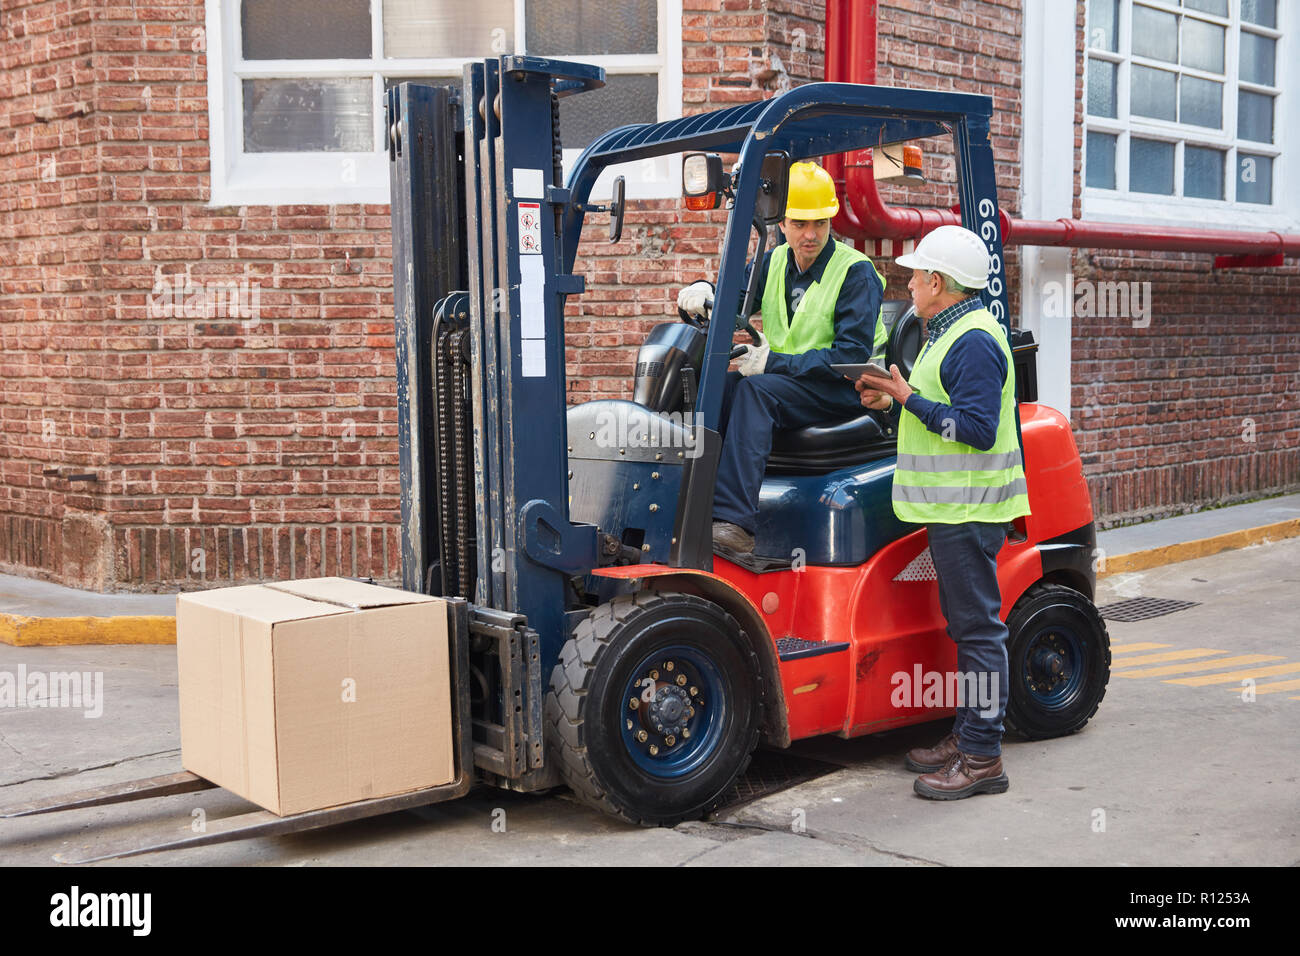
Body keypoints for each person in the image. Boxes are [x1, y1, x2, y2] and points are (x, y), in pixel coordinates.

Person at [853, 224, 1030, 800]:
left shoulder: (973, 340)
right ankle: (969, 735)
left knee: (978, 631)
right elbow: (942, 410)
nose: (907, 282)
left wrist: (908, 399)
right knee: (967, 627)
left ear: (938, 282)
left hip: (970, 509)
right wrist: (895, 399)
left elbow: (975, 430)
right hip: (954, 507)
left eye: (914, 274)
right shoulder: (949, 331)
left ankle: (982, 758)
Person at [676, 161, 889, 554]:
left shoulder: (855, 273)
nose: (810, 235)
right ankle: (688, 505)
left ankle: (734, 522)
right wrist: (705, 289)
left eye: (820, 224)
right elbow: (732, 298)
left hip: (849, 390)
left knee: (756, 392)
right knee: (719, 386)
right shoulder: (774, 262)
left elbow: (849, 357)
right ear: (782, 223)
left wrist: (773, 362)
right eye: (800, 223)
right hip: (797, 383)